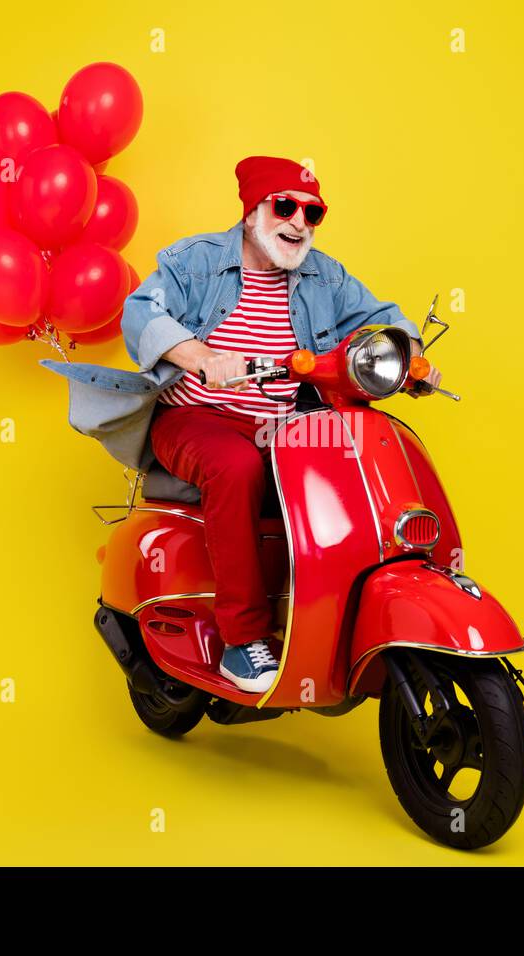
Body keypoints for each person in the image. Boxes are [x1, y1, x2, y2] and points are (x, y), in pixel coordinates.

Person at [120, 156, 440, 693]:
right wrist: (199, 355)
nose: (298, 223)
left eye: (312, 213)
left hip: (286, 427)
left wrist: (409, 356)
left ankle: (335, 617)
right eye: (284, 207)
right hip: (196, 416)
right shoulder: (195, 261)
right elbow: (140, 312)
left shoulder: (325, 275)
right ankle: (242, 644)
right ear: (251, 213)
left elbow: (383, 318)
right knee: (235, 466)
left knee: (355, 465)